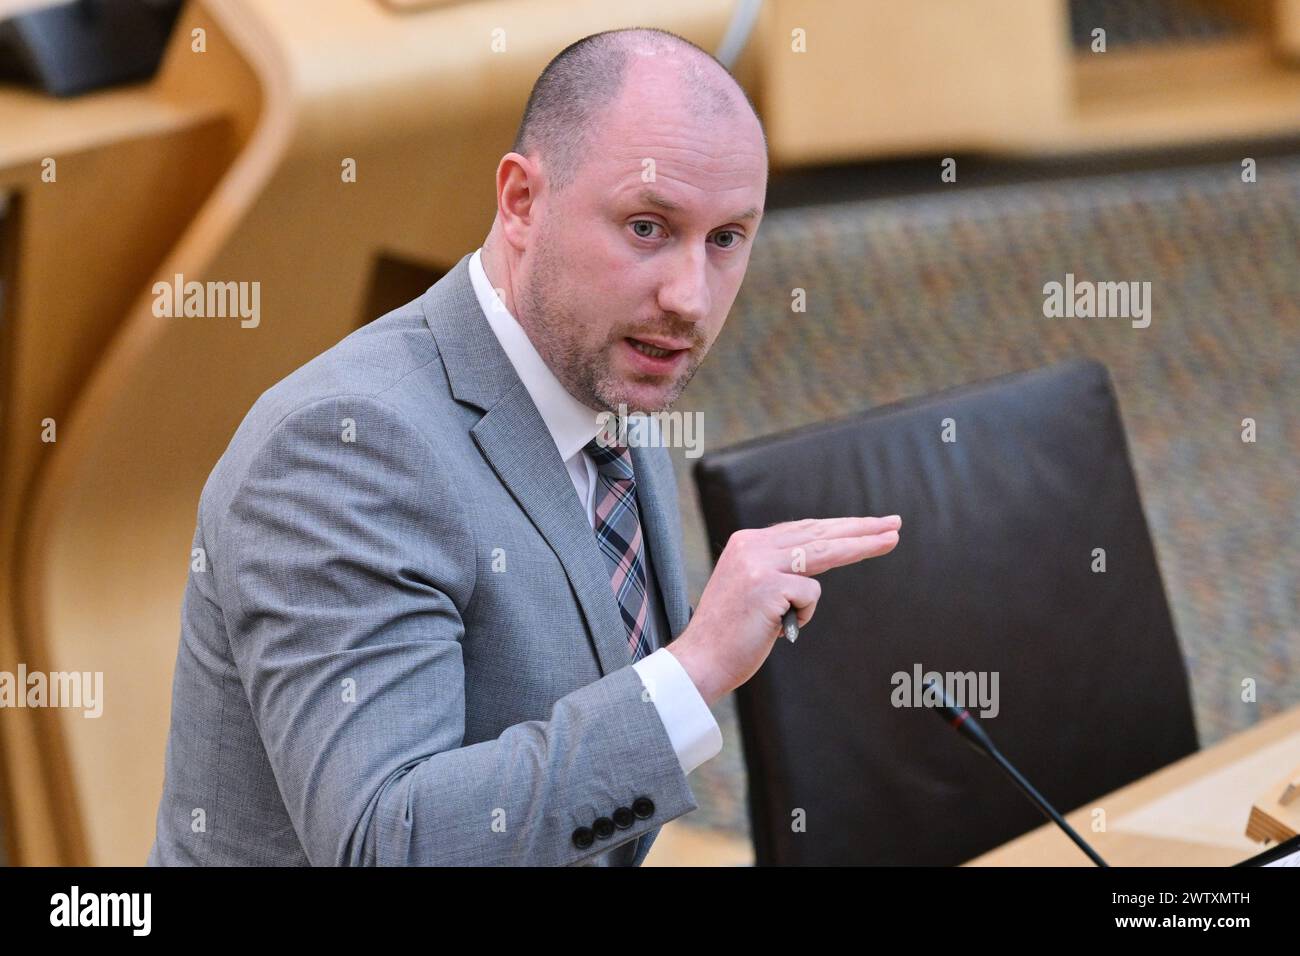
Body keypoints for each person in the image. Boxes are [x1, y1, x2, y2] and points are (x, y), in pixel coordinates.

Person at [147, 25, 901, 867]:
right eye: (647, 227)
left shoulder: (606, 374)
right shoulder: (344, 448)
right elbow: (388, 845)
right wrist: (691, 673)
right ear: (520, 203)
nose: (689, 297)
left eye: (726, 239)